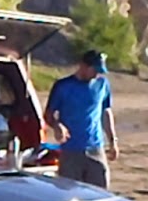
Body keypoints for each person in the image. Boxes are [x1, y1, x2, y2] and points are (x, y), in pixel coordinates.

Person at [46, 50, 118, 188]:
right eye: (94, 69)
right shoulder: (63, 86)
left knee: (100, 193)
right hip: (71, 150)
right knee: (68, 194)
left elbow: (106, 112)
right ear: (83, 65)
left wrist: (113, 141)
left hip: (95, 149)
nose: (97, 74)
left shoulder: (102, 84)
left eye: (99, 70)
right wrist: (57, 125)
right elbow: (48, 114)